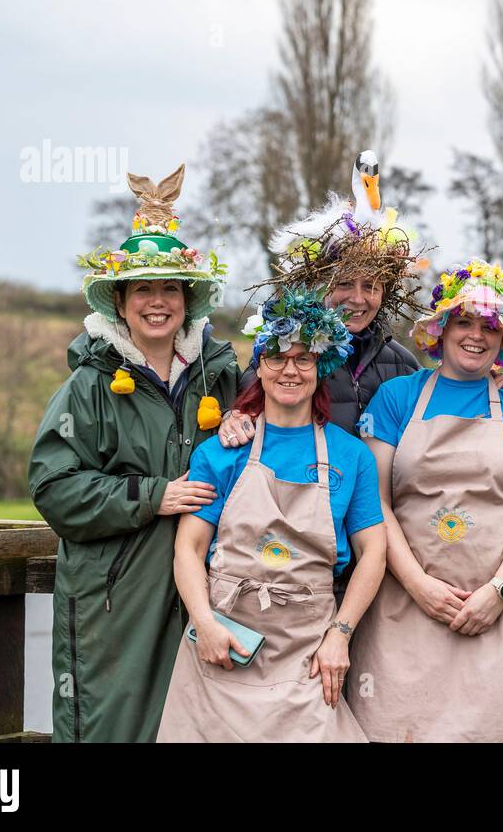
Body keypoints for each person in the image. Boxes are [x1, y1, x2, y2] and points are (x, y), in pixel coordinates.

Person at [28, 164, 240, 742]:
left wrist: (249, 423)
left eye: (170, 288)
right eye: (143, 289)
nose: (157, 302)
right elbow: (54, 489)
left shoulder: (219, 375)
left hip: (208, 589)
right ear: (119, 302)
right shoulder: (89, 387)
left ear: (188, 300)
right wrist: (154, 495)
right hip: (115, 599)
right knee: (113, 729)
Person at [347, 260, 503, 742]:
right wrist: (418, 584)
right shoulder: (396, 398)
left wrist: (500, 590)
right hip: (404, 611)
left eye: (490, 326)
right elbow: (374, 504)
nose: (476, 336)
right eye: (463, 322)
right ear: (440, 329)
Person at [157, 288, 386, 742]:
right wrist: (203, 623)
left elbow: (374, 551)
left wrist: (340, 634)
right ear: (259, 365)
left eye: (304, 360)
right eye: (277, 356)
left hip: (308, 650)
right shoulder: (221, 454)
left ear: (321, 370)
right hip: (224, 642)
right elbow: (189, 546)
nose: (289, 370)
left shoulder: (352, 456)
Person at [219, 151, 427, 443]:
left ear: (385, 293)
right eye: (343, 283)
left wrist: (496, 383)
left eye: (370, 287)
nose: (357, 298)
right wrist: (234, 417)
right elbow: (245, 410)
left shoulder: (402, 365)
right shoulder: (286, 351)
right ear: (321, 283)